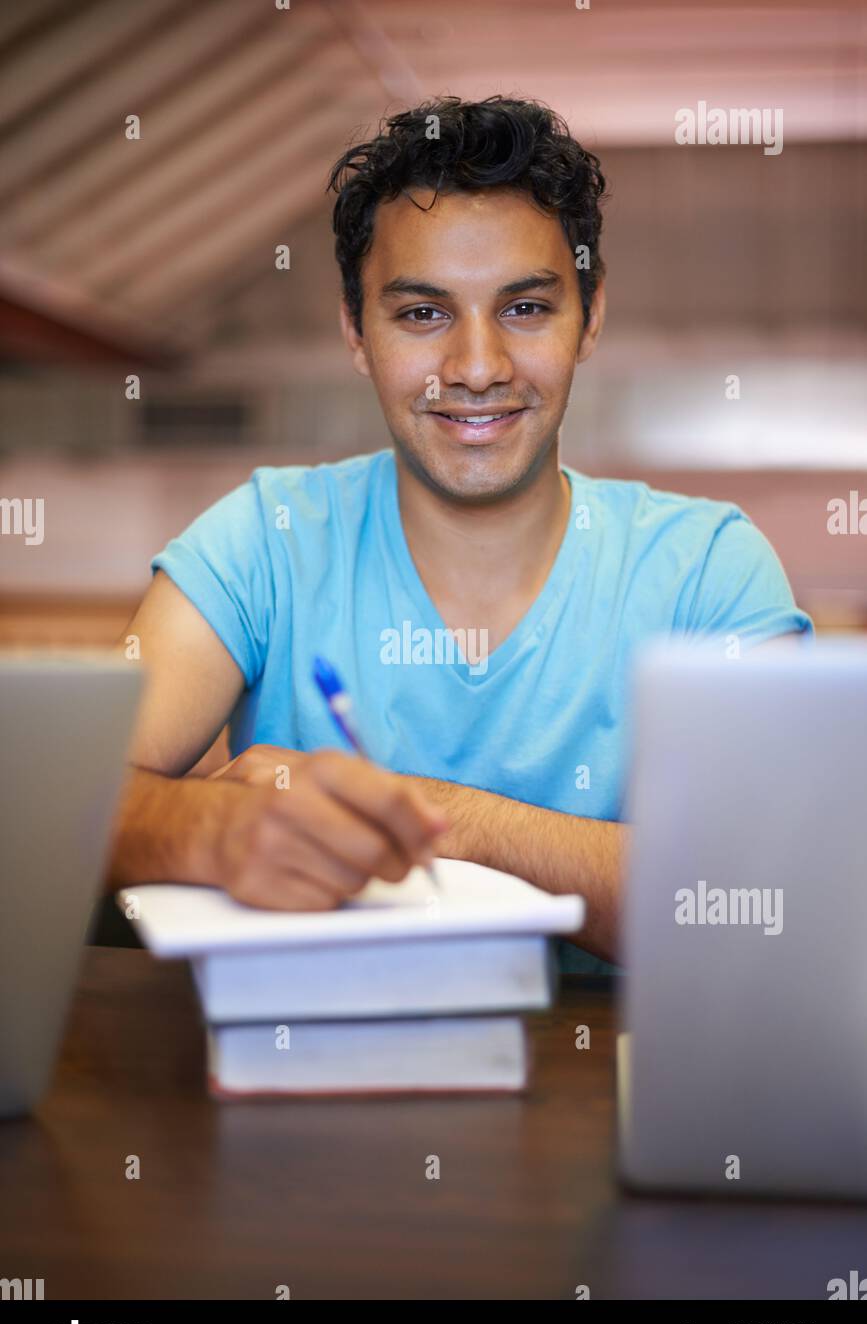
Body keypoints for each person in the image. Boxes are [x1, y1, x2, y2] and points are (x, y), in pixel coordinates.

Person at [108, 96, 812, 971]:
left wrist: (442, 819)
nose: (476, 369)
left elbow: (770, 894)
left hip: (615, 1094)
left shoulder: (710, 569)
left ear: (589, 318)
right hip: (307, 1070)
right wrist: (207, 827)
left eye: (523, 309)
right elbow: (56, 798)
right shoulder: (264, 539)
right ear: (355, 333)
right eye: (421, 314)